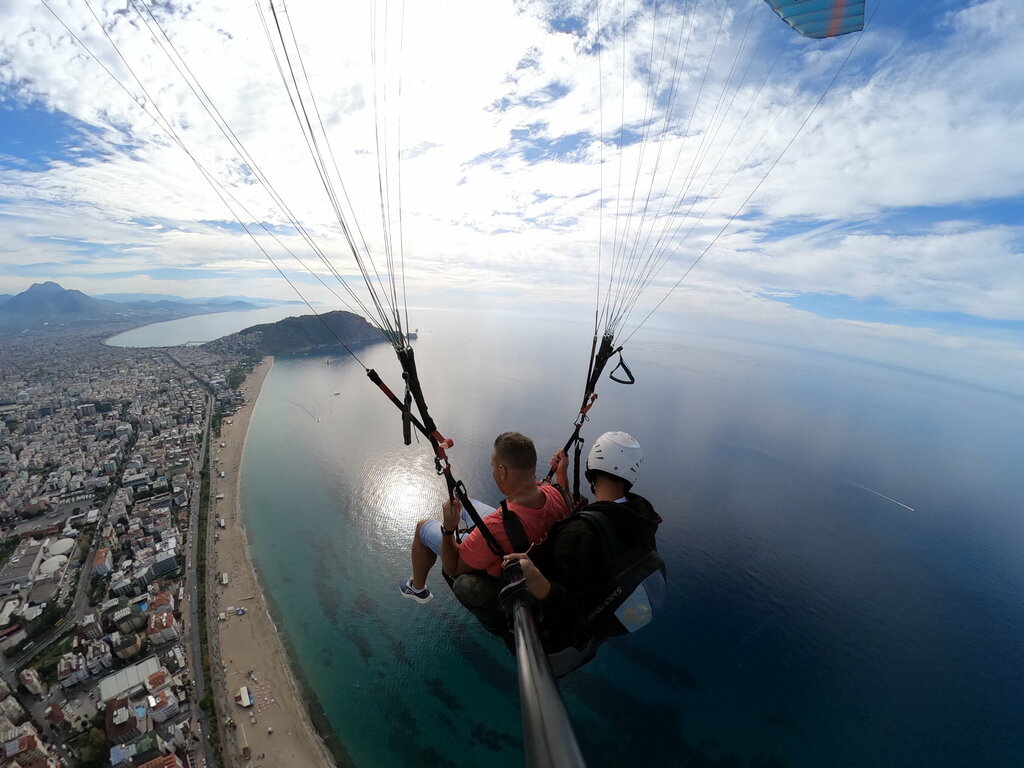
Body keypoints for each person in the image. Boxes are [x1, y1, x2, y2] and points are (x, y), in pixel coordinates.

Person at [503, 431, 662, 665]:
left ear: (590, 468)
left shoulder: (581, 533)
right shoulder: (640, 521)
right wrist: (562, 475)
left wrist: (535, 577)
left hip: (556, 644)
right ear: (631, 476)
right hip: (595, 632)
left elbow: (568, 607)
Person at [400, 431, 571, 604]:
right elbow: (566, 498)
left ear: (502, 471)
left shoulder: (495, 527)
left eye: (493, 466)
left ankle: (417, 588)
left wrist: (448, 528)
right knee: (465, 504)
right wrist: (562, 473)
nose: (493, 471)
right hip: (519, 529)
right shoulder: (558, 493)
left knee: (422, 527)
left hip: (505, 537)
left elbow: (453, 567)